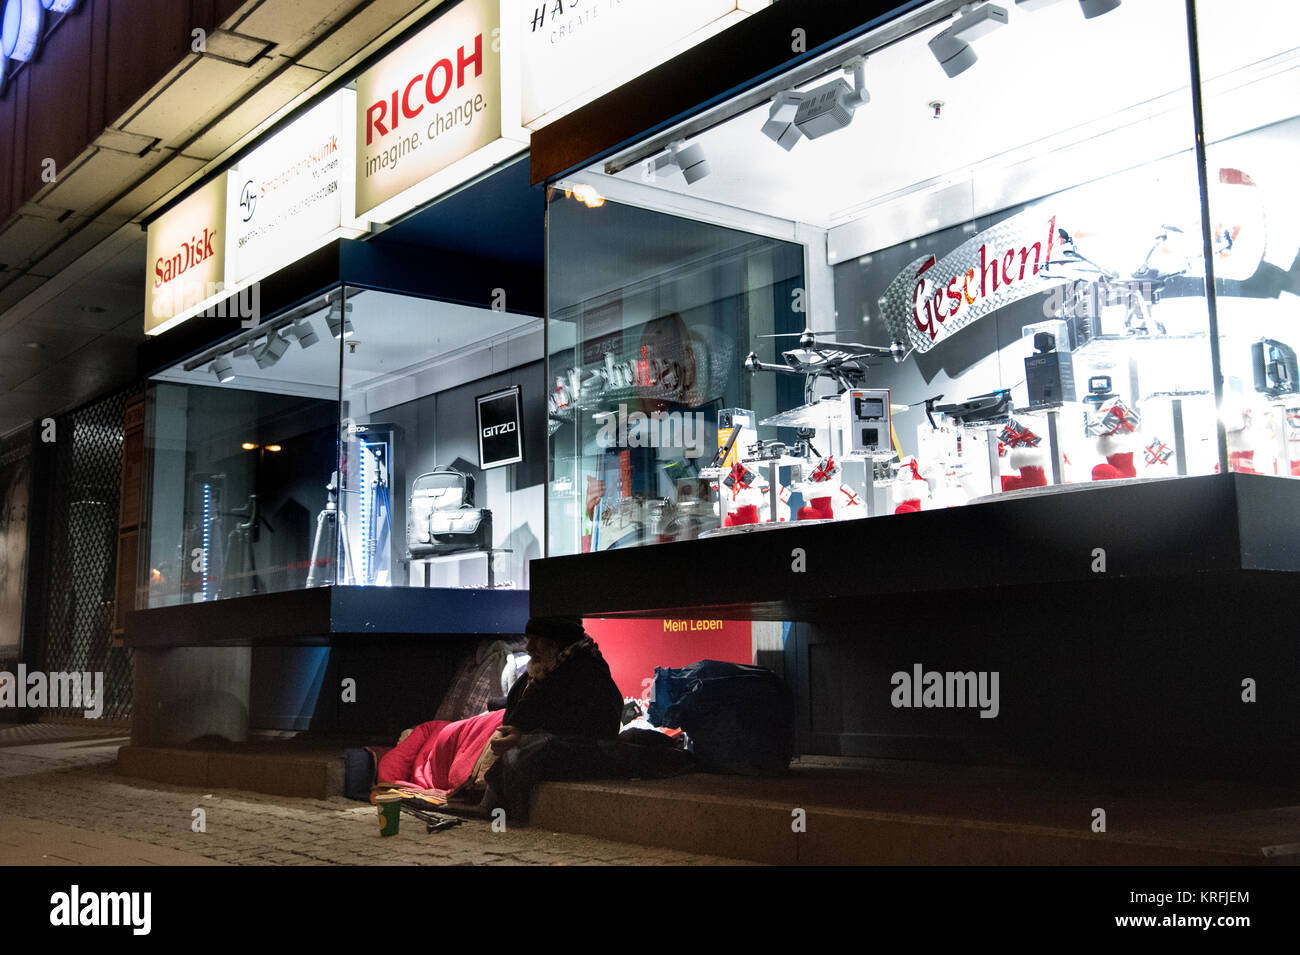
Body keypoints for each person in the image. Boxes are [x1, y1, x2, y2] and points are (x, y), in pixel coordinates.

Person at [489, 616, 623, 755]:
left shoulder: (591, 678)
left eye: (537, 639)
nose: (528, 647)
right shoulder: (546, 669)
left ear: (556, 643)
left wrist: (522, 740)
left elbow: (589, 741)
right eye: (529, 639)